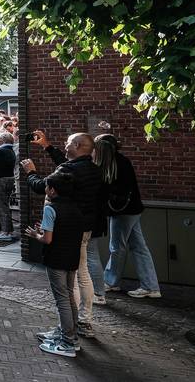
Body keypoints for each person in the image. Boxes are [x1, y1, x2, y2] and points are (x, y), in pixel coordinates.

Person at [23, 130, 105, 338]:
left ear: (77, 146)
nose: (65, 145)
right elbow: (66, 166)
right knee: (83, 272)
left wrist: (31, 172)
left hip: (67, 229)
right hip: (87, 226)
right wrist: (47, 146)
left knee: (70, 280)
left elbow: (43, 186)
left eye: (68, 142)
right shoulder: (94, 170)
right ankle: (84, 320)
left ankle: (70, 327)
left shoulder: (69, 171)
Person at [27, 171, 85, 358]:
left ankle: (67, 340)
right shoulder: (77, 207)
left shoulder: (50, 208)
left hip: (56, 258)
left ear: (52, 190)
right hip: (72, 257)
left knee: (61, 299)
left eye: (46, 186)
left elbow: (48, 239)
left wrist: (35, 235)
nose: (44, 189)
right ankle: (72, 336)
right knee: (68, 296)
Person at [96, 134, 161, 298]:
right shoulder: (122, 161)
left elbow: (109, 189)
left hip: (122, 212)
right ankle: (151, 286)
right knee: (139, 247)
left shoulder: (112, 165)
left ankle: (111, 282)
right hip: (133, 210)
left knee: (117, 246)